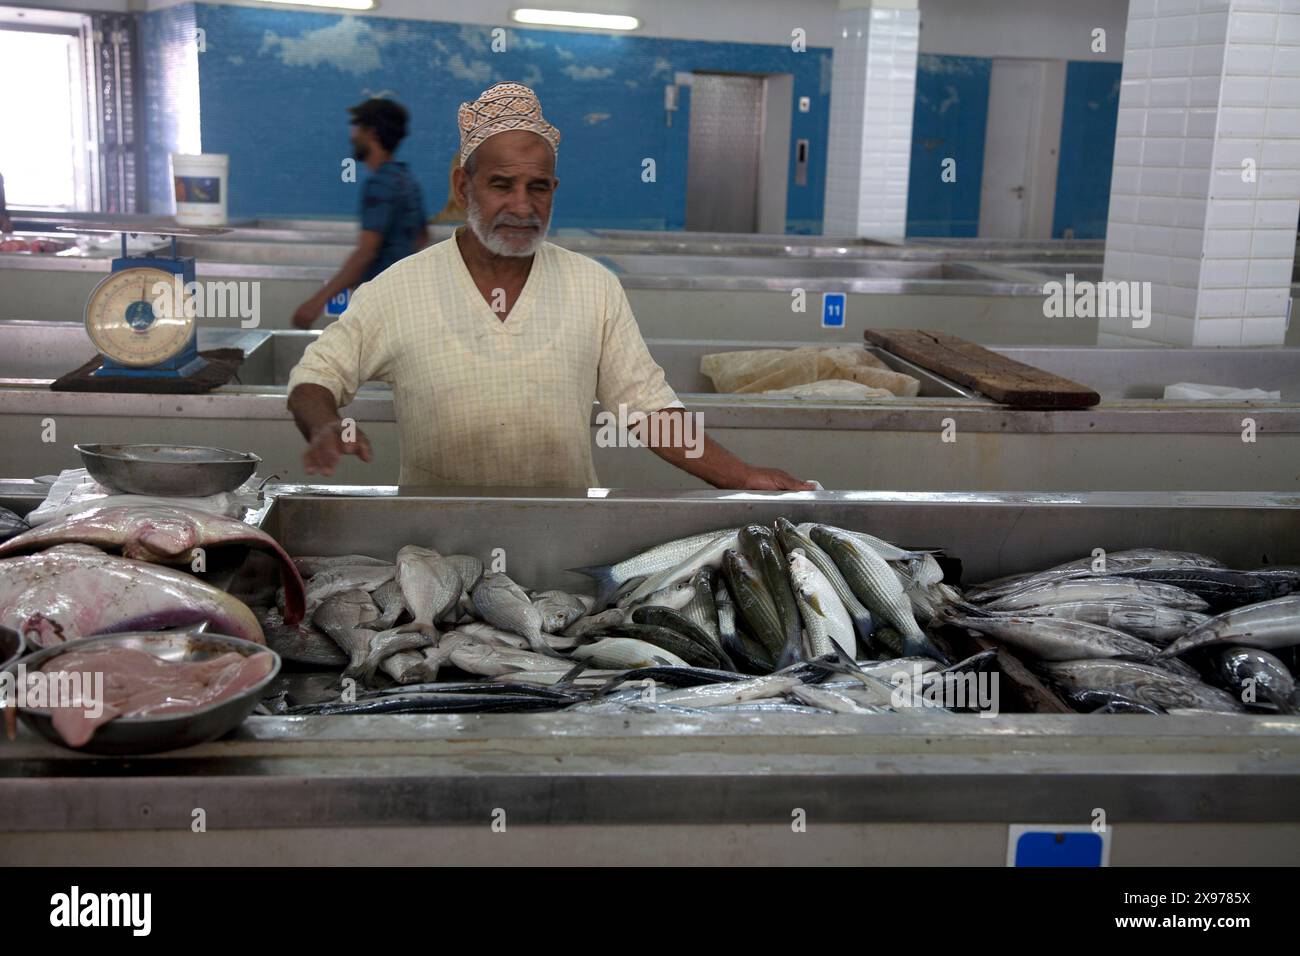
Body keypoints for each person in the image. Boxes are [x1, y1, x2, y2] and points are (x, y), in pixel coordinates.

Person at [286, 82, 813, 491]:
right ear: (462, 185)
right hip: (434, 547)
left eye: (538, 187)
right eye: (501, 185)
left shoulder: (593, 288)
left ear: (553, 190)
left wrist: (739, 476)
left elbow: (647, 407)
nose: (522, 205)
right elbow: (317, 376)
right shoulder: (400, 289)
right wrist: (324, 424)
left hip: (562, 539)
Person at [292, 99, 429, 328]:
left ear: (371, 133)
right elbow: (422, 237)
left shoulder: (379, 184)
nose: (352, 135)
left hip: (380, 308)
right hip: (403, 304)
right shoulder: (408, 181)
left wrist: (315, 303)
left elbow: (366, 253)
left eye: (356, 128)